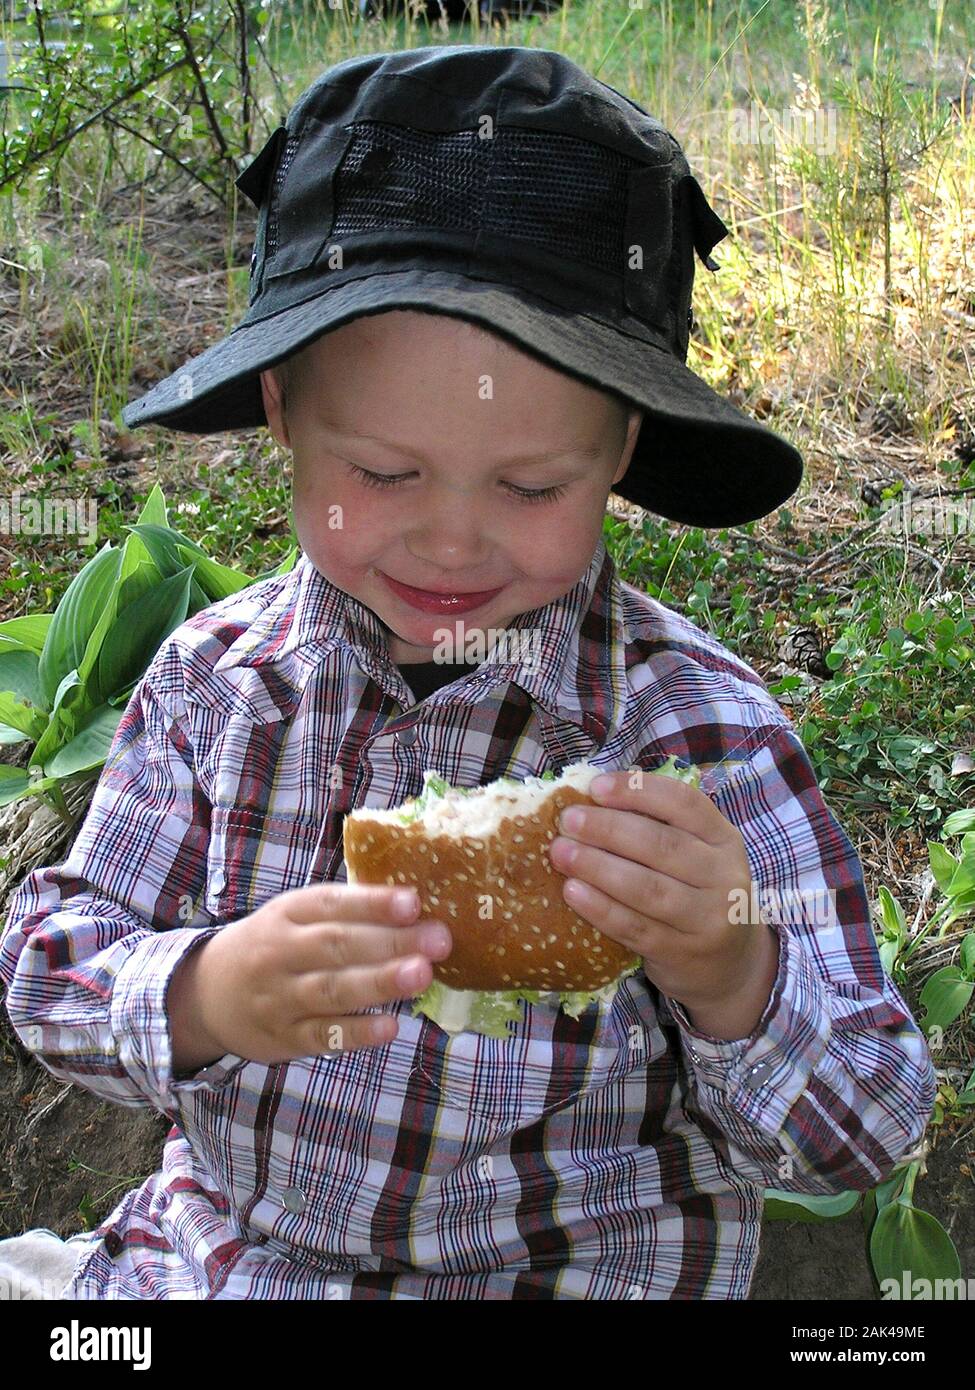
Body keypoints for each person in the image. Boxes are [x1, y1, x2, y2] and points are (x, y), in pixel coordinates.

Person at [0, 45, 935, 1300]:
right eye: (384, 475)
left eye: (532, 486)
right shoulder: (218, 690)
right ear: (281, 412)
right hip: (223, 1271)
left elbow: (868, 1122)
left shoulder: (697, 742)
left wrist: (734, 968)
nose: (450, 540)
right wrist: (202, 993)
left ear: (621, 451)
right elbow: (51, 964)